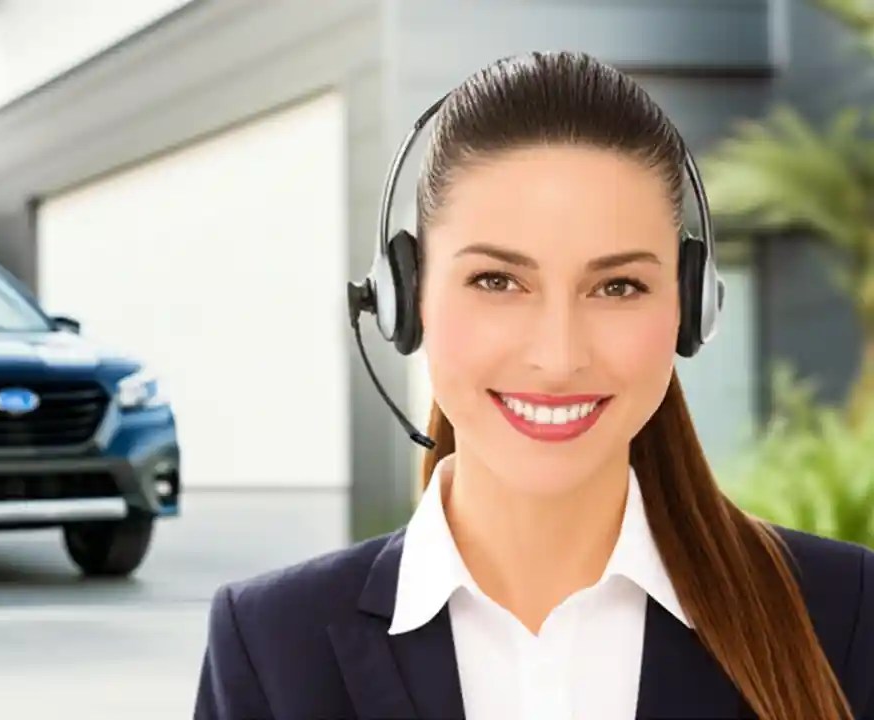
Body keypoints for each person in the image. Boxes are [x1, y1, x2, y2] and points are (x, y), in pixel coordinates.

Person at [192, 51, 874, 720]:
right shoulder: (269, 647)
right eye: (497, 281)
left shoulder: (846, 615)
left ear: (691, 308)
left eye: (618, 286)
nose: (558, 356)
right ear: (406, 298)